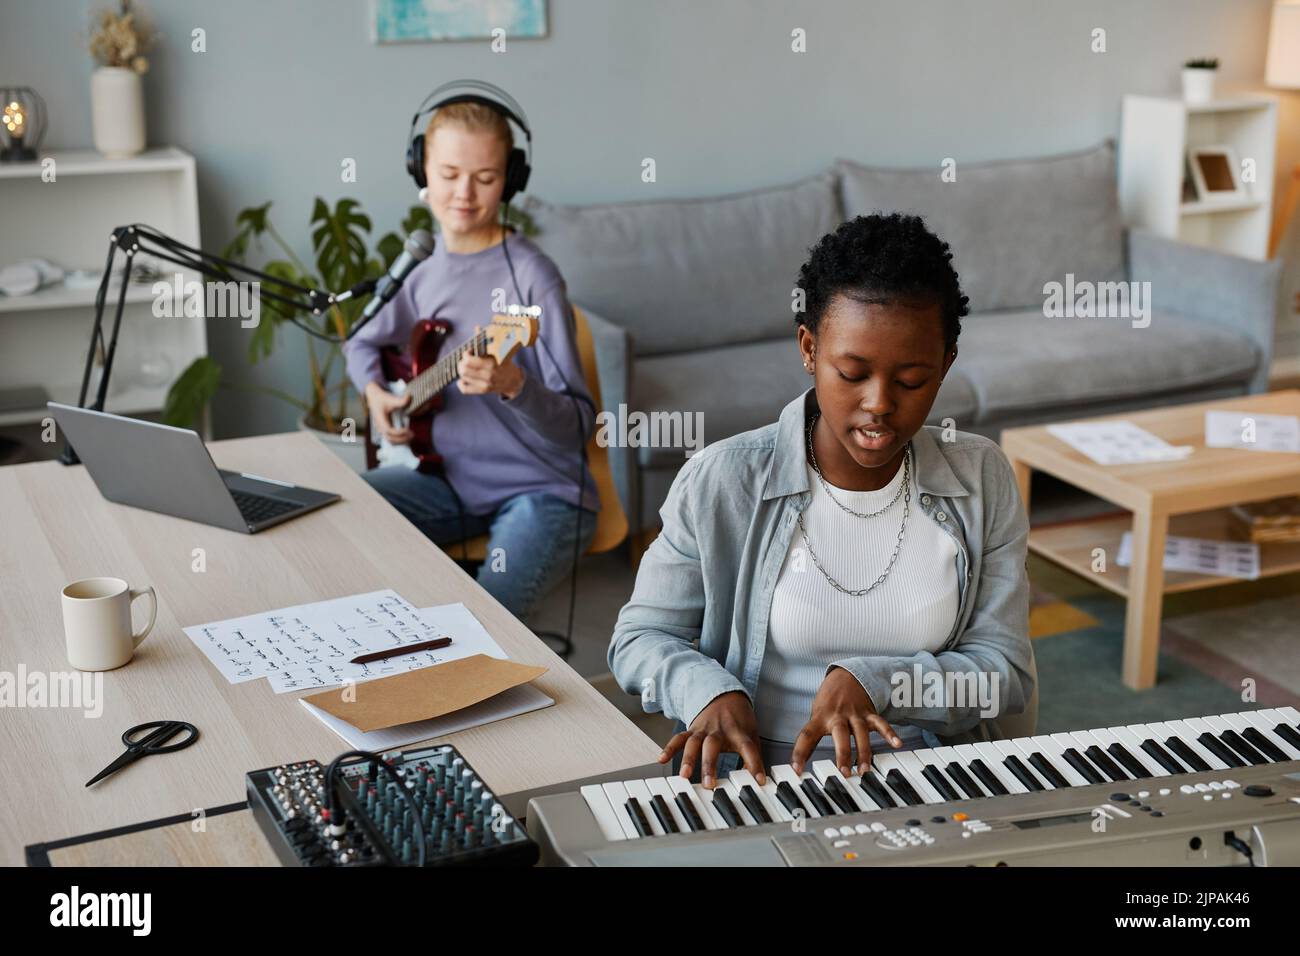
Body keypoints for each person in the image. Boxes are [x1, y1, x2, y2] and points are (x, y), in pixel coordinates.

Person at [609, 212, 1034, 788]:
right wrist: (709, 691)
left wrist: (879, 682)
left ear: (946, 365)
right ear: (809, 348)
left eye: (912, 380)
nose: (879, 404)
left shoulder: (981, 476)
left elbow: (1004, 673)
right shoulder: (721, 481)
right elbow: (638, 640)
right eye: (852, 373)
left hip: (932, 768)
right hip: (765, 775)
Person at [344, 89, 596, 620]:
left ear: (511, 180)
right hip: (445, 482)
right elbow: (360, 340)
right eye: (449, 173)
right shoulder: (419, 264)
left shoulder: (532, 277)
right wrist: (374, 393)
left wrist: (514, 386)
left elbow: (579, 427)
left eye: (485, 178)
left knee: (485, 616)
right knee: (344, 521)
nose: (464, 193)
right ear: (421, 171)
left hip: (543, 491)